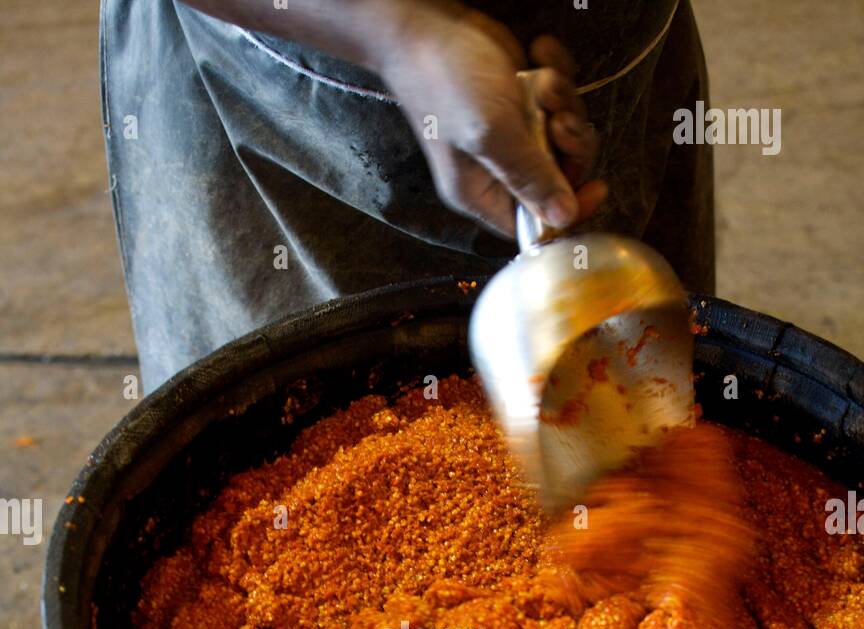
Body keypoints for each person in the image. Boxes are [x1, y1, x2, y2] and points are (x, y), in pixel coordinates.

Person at [101, 0, 714, 391]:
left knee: (650, 378)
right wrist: (398, 35)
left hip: (614, 48)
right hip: (281, 73)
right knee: (267, 415)